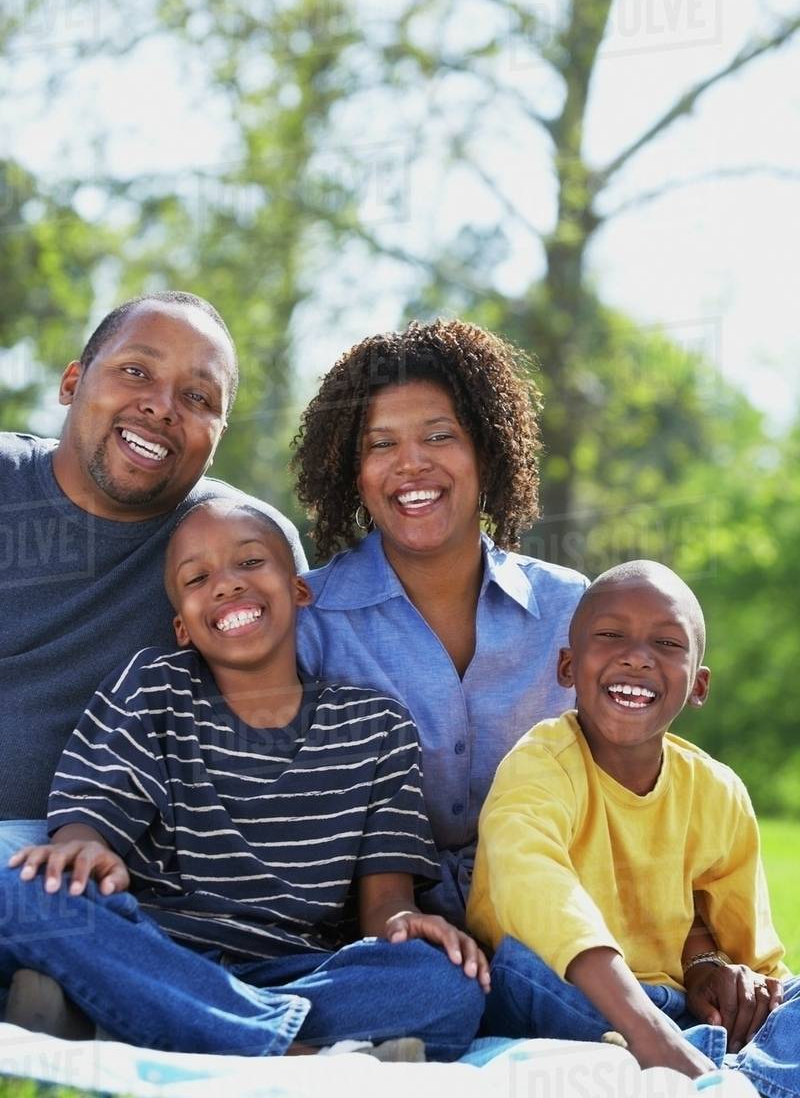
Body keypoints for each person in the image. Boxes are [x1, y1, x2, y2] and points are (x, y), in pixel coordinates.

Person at [1, 498, 487, 1059]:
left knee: (447, 983)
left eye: (251, 562)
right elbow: (91, 817)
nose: (227, 584)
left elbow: (386, 905)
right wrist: (83, 847)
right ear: (182, 627)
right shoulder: (155, 689)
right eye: (198, 578)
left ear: (299, 590)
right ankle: (293, 1053)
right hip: (156, 947)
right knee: (18, 891)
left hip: (298, 971)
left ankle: (149, 1019)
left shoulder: (377, 725)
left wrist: (408, 923)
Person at [291, 318, 589, 925]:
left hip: (551, 921)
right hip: (371, 936)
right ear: (353, 472)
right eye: (381, 445)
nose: (411, 464)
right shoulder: (309, 621)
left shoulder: (571, 610)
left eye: (439, 436)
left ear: (487, 451)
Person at [466, 559, 798, 1094]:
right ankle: (725, 1072)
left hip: (674, 1005)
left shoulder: (718, 791)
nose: (637, 656)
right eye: (611, 635)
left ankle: (717, 1068)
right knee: (525, 970)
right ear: (567, 666)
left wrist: (727, 977)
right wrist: (650, 1035)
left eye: (667, 644)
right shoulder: (539, 766)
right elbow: (540, 895)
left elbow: (754, 961)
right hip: (562, 992)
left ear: (699, 685)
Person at [0, 290, 305, 852]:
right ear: (72, 383)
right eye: (136, 371)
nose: (163, 407)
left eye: (197, 397)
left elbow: (294, 740)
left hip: (125, 864)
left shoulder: (246, 546)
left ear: (217, 436)